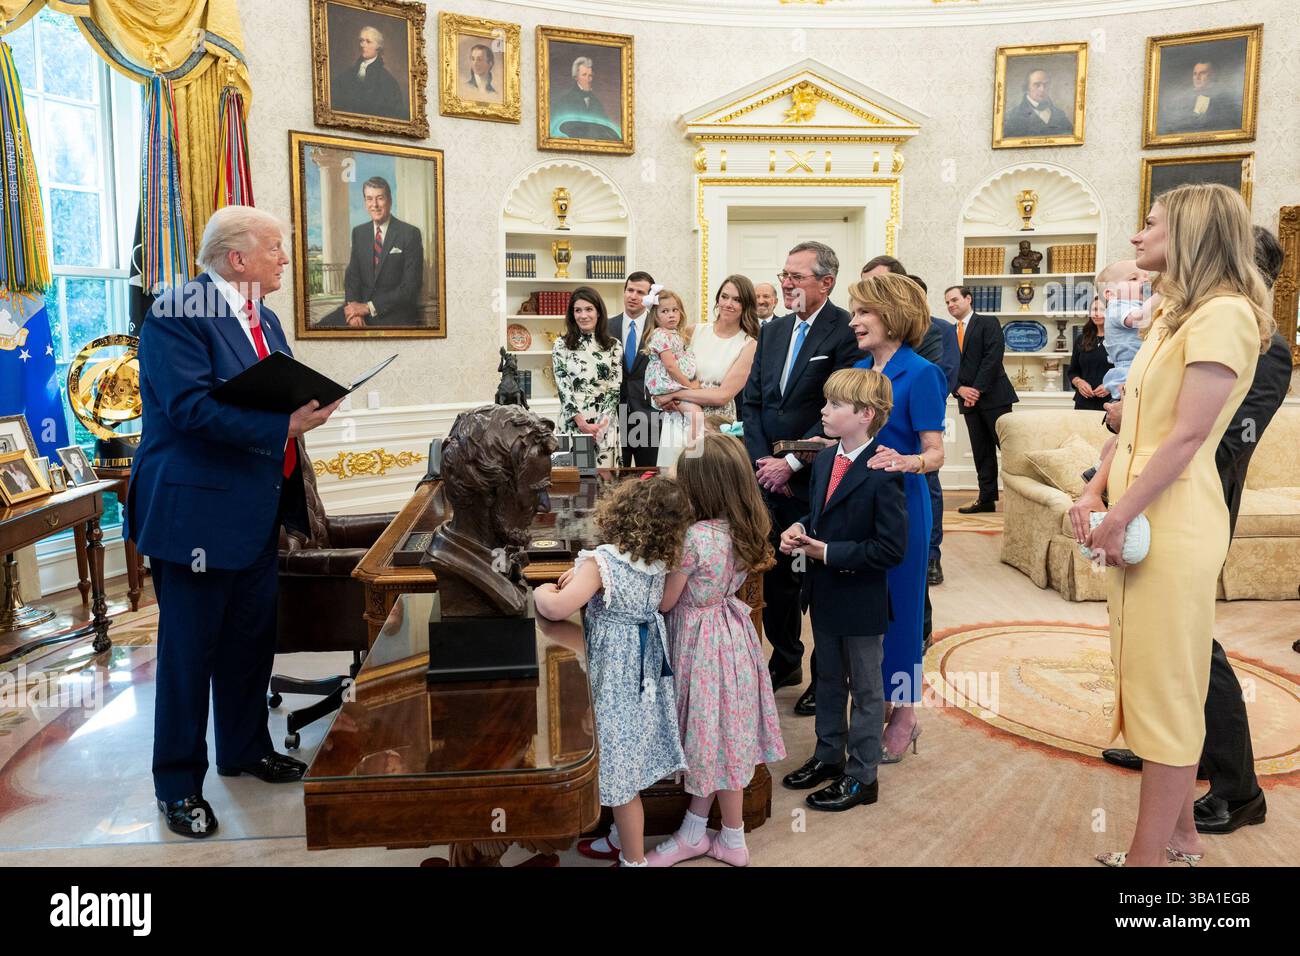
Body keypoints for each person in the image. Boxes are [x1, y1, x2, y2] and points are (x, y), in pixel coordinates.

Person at [1069, 183, 1272, 867]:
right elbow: (1131, 431)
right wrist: (1095, 491)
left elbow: (1186, 439)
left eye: (1150, 223)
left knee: (1166, 689)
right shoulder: (1172, 314)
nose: (1136, 236)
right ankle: (1182, 837)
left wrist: (1119, 512)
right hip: (1138, 516)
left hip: (1174, 523)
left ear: (1187, 232)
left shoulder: (1226, 316)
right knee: (1147, 674)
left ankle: (1147, 865)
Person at [128, 206, 342, 839]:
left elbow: (272, 389)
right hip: (195, 512)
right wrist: (284, 425)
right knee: (190, 655)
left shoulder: (266, 318)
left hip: (255, 511)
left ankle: (245, 749)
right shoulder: (176, 313)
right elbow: (190, 409)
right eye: (276, 249)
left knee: (251, 643)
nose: (285, 259)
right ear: (237, 258)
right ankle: (178, 784)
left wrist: (306, 405)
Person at [534, 476, 694, 867]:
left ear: (621, 513)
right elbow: (667, 605)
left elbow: (557, 608)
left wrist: (542, 591)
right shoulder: (658, 565)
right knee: (627, 757)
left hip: (613, 675)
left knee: (621, 780)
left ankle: (634, 860)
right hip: (644, 672)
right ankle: (617, 838)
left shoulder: (603, 562)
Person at [648, 433, 786, 866]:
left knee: (706, 739)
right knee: (723, 740)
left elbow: (666, 602)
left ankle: (723, 836)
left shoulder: (693, 539)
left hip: (699, 643)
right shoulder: (745, 525)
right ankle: (713, 833)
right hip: (733, 638)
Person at [740, 242, 861, 717]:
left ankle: (823, 677)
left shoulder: (844, 333)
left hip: (816, 479)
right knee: (774, 577)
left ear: (825, 282)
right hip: (765, 482)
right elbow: (751, 405)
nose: (786, 283)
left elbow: (837, 413)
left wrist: (791, 463)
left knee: (816, 578)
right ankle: (785, 659)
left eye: (796, 276)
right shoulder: (772, 332)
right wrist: (761, 465)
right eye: (783, 274)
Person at [779, 368, 907, 811]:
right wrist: (799, 529)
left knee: (867, 691)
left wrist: (828, 552)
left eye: (835, 405)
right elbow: (818, 517)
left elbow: (890, 549)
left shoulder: (884, 471)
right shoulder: (825, 461)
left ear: (865, 415)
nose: (824, 410)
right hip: (824, 593)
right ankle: (828, 757)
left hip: (861, 599)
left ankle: (862, 777)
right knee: (828, 679)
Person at [849, 274, 947, 760]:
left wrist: (907, 461)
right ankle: (876, 700)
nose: (854, 321)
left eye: (863, 312)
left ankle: (906, 713)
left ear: (891, 315)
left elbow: (935, 452)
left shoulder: (923, 373)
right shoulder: (859, 369)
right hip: (857, 506)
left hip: (904, 507)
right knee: (869, 610)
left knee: (903, 614)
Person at [652, 276, 759, 469]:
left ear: (746, 305)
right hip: (678, 416)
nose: (728, 304)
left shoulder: (749, 344)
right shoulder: (694, 331)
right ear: (717, 299)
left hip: (714, 424)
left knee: (705, 483)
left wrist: (674, 394)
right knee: (671, 482)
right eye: (724, 297)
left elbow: (722, 396)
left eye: (737, 299)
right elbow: (664, 366)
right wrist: (664, 398)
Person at [945, 285, 1019, 513]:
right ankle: (986, 499)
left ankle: (1021, 500)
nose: (951, 305)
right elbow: (946, 365)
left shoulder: (988, 323)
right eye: (947, 302)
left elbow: (992, 357)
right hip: (966, 400)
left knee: (1010, 450)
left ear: (968, 299)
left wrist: (975, 390)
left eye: (955, 300)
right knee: (982, 451)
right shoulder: (947, 331)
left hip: (994, 397)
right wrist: (959, 389)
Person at [319, 176, 424, 328]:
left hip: (393, 313)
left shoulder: (409, 233)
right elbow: (352, 276)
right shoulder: (359, 232)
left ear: (389, 200)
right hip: (359, 309)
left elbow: (410, 287)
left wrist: (368, 307)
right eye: (369, 199)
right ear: (365, 202)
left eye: (380, 198)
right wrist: (354, 309)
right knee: (320, 327)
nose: (374, 205)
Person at [908, 275, 958, 588]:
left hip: (925, 415)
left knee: (929, 484)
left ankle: (931, 555)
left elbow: (947, 371)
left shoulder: (939, 328)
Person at [551, 286, 622, 467]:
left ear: (598, 312)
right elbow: (563, 386)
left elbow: (614, 388)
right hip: (572, 421)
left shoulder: (614, 345)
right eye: (578, 310)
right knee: (568, 485)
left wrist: (600, 425)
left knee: (605, 487)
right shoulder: (561, 345)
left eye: (589, 309)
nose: (583, 315)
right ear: (572, 314)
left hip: (604, 423)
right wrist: (581, 423)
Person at [640, 289, 703, 464]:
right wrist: (689, 387)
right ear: (656, 315)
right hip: (667, 384)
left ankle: (690, 450)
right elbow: (671, 367)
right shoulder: (661, 335)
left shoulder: (678, 334)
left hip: (675, 384)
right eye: (665, 311)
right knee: (696, 414)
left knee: (688, 418)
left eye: (675, 310)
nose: (671, 315)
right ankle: (692, 456)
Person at [608, 271, 657, 466]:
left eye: (640, 292)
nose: (633, 296)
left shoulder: (658, 329)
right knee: (615, 479)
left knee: (649, 478)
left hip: (649, 416)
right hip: (614, 417)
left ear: (650, 298)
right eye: (630, 290)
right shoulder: (606, 327)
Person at [1096, 258, 1153, 398]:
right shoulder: (1117, 306)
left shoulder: (1140, 305)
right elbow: (1136, 320)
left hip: (1143, 364)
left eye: (1146, 277)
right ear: (1111, 294)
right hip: (1129, 369)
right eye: (1134, 278)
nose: (1144, 281)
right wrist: (1158, 299)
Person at [331, 25, 407, 120]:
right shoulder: (347, 74)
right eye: (361, 40)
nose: (362, 45)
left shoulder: (387, 81)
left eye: (368, 41)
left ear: (378, 47)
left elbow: (394, 114)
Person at [1161, 59, 1242, 135]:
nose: (1197, 78)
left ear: (1213, 76)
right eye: (1195, 74)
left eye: (1202, 73)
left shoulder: (1224, 98)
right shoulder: (1185, 98)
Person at [1067, 296, 1113, 411]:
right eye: (1094, 310)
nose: (1096, 314)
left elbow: (1129, 372)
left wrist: (1111, 386)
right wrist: (1079, 382)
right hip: (1083, 403)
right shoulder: (1081, 339)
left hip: (1112, 404)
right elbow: (1073, 371)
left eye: (1102, 310)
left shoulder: (1120, 340)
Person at [1003, 68, 1073, 138]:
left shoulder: (1059, 114)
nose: (1042, 89)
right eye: (1037, 85)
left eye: (1046, 85)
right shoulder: (1013, 116)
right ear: (1027, 88)